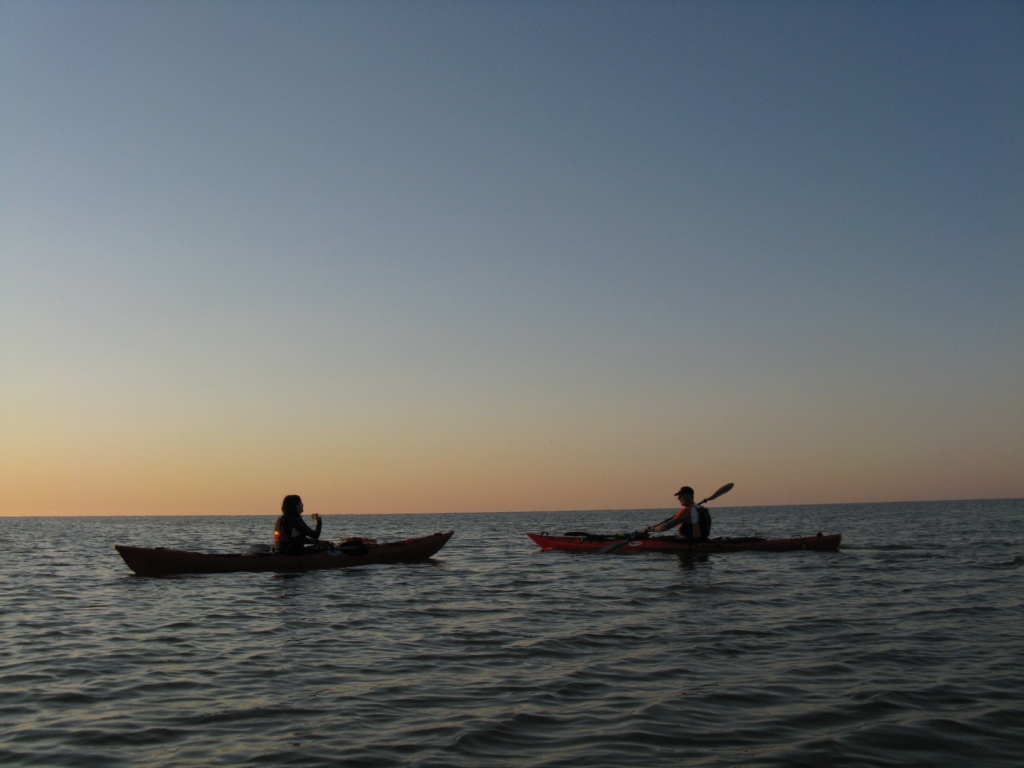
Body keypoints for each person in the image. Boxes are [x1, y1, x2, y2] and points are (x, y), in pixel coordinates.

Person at [645, 486, 711, 540]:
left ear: (690, 496)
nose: (678, 498)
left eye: (681, 495)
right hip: (702, 539)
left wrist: (652, 529)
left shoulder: (688, 510)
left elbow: (666, 527)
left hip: (689, 542)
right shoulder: (700, 508)